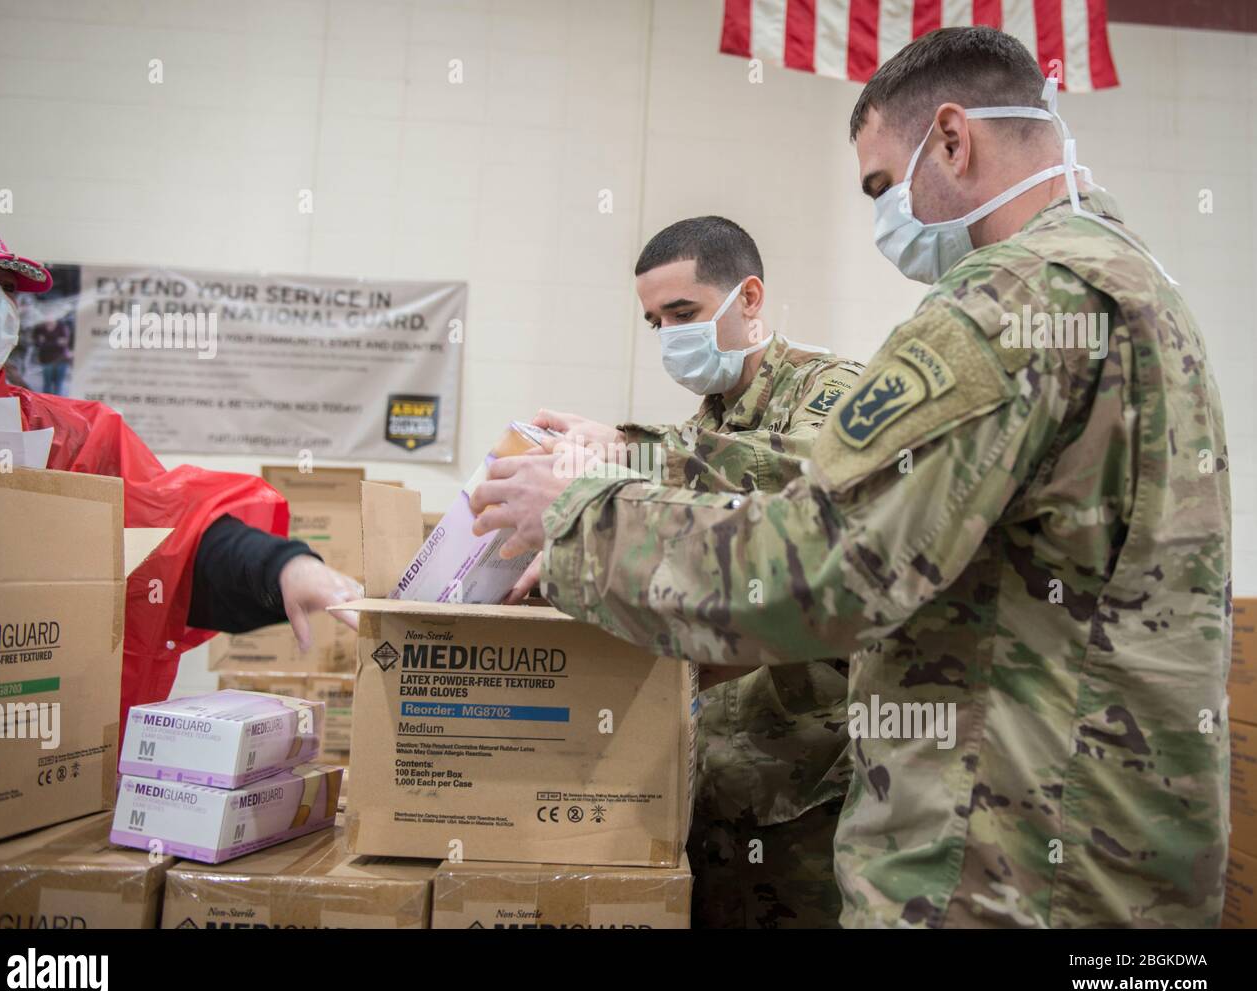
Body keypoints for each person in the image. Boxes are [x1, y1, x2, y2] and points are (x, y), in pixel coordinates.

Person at [469, 27, 1231, 928]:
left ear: (952, 139)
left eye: (882, 186)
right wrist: (637, 458)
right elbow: (847, 482)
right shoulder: (1130, 281)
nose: (883, 219)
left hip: (1003, 871)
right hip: (1111, 863)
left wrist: (579, 520)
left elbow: (817, 562)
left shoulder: (1018, 300)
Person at [516, 215, 863, 928]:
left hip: (806, 788)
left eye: (684, 313)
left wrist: (626, 453)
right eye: (655, 322)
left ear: (750, 298)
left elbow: (804, 475)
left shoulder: (834, 394)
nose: (671, 334)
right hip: (714, 783)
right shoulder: (710, 421)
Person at [0, 210, 362, 743]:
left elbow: (169, 535)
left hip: (23, 745)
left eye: (5, 287)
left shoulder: (67, 436)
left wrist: (282, 568)